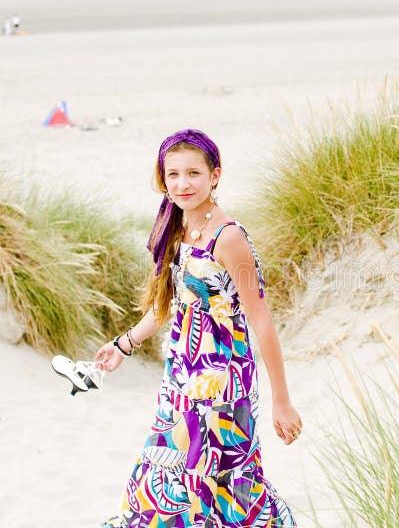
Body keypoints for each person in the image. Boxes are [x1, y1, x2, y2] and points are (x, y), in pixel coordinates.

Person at [97, 129, 301, 527]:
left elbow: (261, 320)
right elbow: (170, 305)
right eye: (173, 175)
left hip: (222, 379)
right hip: (181, 374)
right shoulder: (178, 230)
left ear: (215, 176)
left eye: (193, 173)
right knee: (168, 467)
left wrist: (282, 400)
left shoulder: (229, 238)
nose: (182, 184)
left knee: (220, 477)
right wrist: (123, 344)